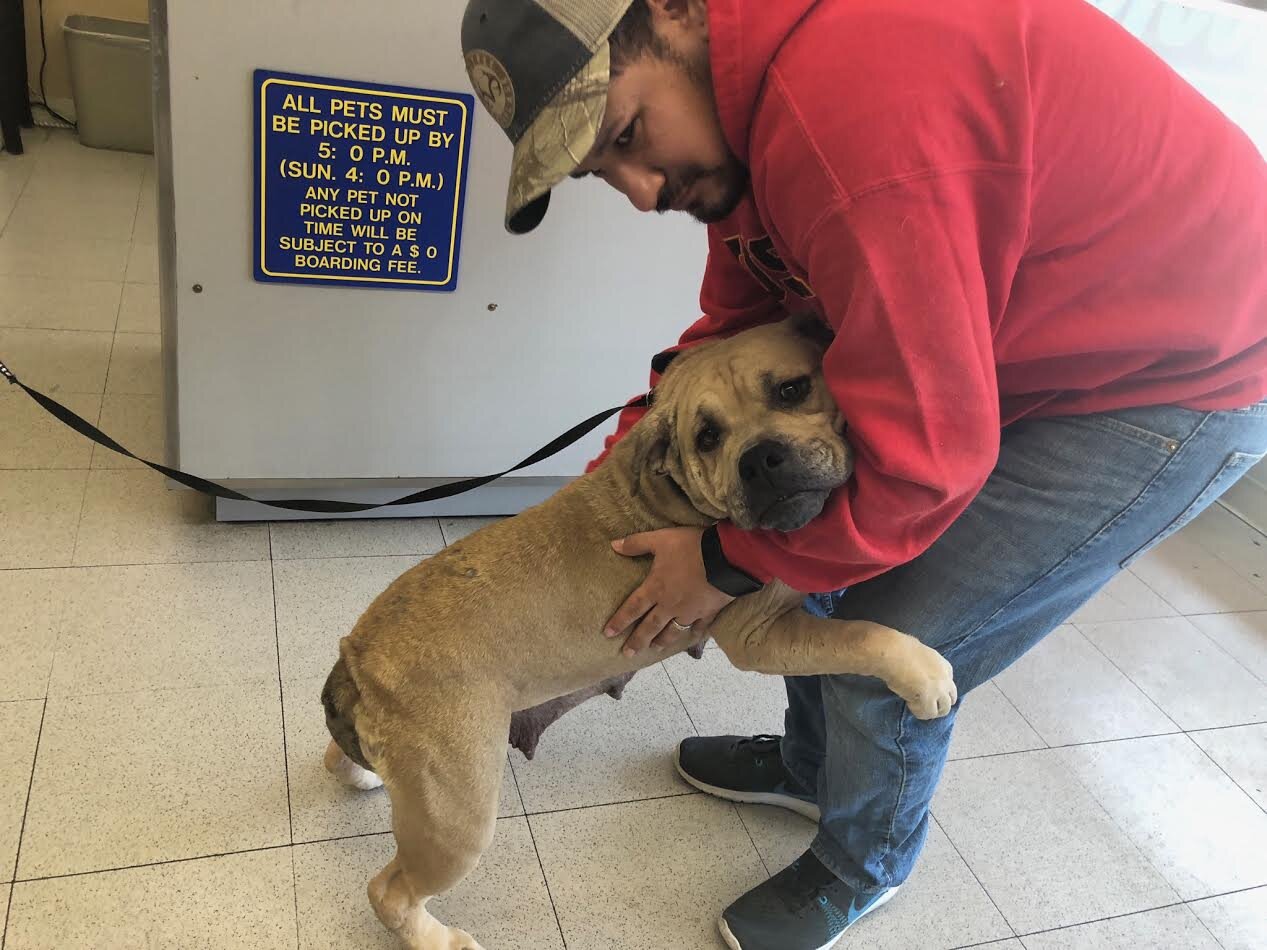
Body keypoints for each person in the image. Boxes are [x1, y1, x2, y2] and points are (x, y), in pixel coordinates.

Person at [461, 1, 1267, 947]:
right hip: (1038, 335)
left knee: (898, 632)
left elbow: (927, 460)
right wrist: (592, 519)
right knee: (828, 570)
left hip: (1184, 377)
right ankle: (813, 767)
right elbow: (724, 338)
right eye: (604, 174)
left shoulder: (853, 125)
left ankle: (862, 864)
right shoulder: (753, 123)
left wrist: (720, 561)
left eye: (629, 134)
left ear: (677, 11)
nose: (640, 192)